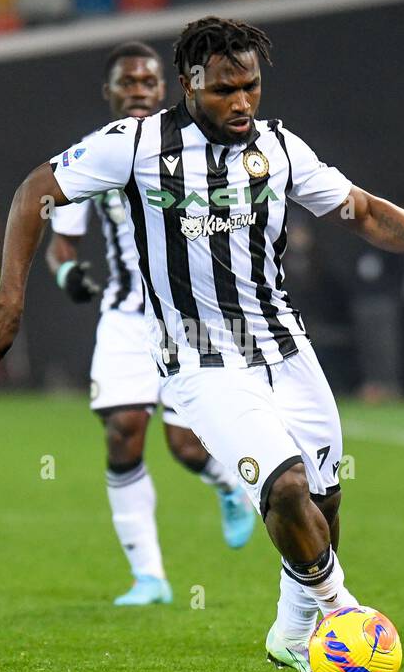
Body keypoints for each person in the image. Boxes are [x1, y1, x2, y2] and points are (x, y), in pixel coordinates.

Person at [0, 16, 404, 672]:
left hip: (283, 346)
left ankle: (293, 632)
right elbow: (35, 192)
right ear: (188, 85)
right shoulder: (133, 143)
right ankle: (344, 617)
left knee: (324, 501)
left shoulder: (278, 147)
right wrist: (10, 302)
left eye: (252, 87)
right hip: (197, 355)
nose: (242, 103)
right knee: (285, 485)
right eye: (224, 90)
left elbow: (362, 211)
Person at [44, 41, 255, 606]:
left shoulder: (197, 143)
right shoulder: (89, 156)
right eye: (127, 82)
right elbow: (60, 243)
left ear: (167, 89)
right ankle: (150, 577)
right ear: (108, 92)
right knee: (122, 432)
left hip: (193, 318)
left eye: (147, 82)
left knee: (186, 444)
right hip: (127, 316)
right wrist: (67, 276)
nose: (138, 91)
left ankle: (229, 483)